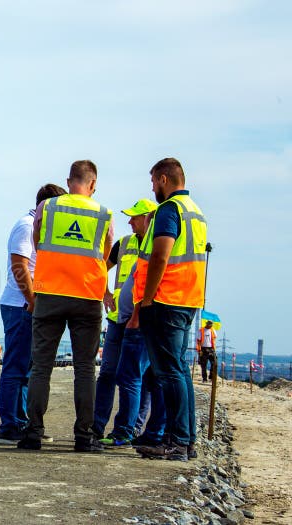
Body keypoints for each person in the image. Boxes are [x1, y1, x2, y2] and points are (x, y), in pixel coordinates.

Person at [17, 160, 113, 453]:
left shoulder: (48, 207)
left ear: (69, 181)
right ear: (93, 184)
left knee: (41, 367)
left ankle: (33, 433)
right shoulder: (103, 214)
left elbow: (37, 238)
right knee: (85, 369)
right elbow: (107, 250)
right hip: (87, 296)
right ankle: (84, 437)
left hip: (51, 293)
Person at [132, 158, 207, 462]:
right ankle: (185, 440)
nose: (152, 189)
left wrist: (147, 298)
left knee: (170, 372)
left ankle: (176, 442)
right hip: (188, 299)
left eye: (152, 182)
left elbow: (161, 254)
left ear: (164, 179)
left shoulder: (169, 210)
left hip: (167, 299)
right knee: (179, 370)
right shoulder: (197, 213)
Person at [0, 183, 66, 444]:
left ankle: (22, 422)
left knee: (27, 369)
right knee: (16, 368)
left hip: (30, 305)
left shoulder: (40, 228)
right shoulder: (27, 226)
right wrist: (33, 300)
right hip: (21, 305)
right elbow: (19, 266)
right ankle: (10, 426)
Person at [92, 199, 156, 444]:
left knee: (139, 376)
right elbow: (100, 269)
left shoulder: (158, 244)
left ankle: (131, 429)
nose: (129, 221)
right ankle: (97, 426)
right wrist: (105, 293)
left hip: (141, 321)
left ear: (147, 218)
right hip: (118, 318)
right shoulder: (124, 244)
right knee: (108, 372)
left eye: (134, 217)